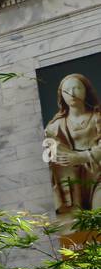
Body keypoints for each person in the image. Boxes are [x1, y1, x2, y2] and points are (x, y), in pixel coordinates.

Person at [44, 72, 101, 218]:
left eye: (77, 88)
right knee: (79, 223)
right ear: (61, 95)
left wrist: (80, 157)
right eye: (66, 91)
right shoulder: (55, 126)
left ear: (86, 91)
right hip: (75, 179)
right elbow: (50, 153)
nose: (72, 93)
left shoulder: (97, 117)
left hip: (98, 172)